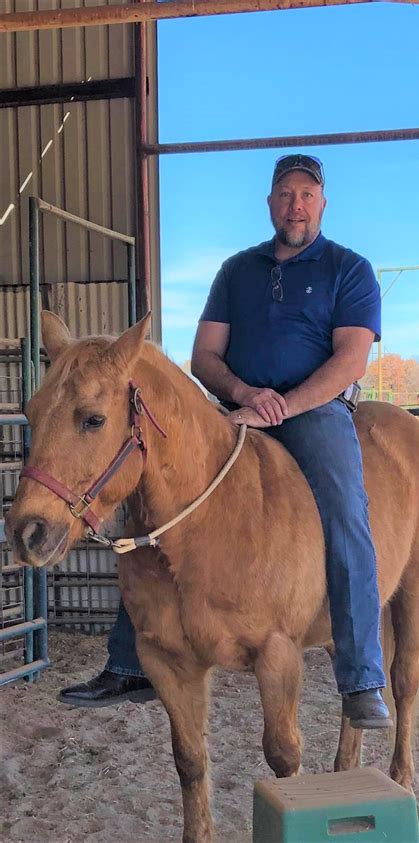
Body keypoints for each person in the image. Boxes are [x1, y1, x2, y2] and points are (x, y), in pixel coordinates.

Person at [60, 153, 391, 729]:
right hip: (238, 408)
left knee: (345, 512)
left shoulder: (348, 268)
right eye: (286, 193)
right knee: (151, 496)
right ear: (269, 202)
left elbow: (350, 360)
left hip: (313, 412)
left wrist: (286, 403)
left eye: (307, 195)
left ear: (323, 204)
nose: (296, 204)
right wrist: (244, 394)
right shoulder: (237, 271)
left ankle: (361, 676)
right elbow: (205, 356)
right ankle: (129, 661)